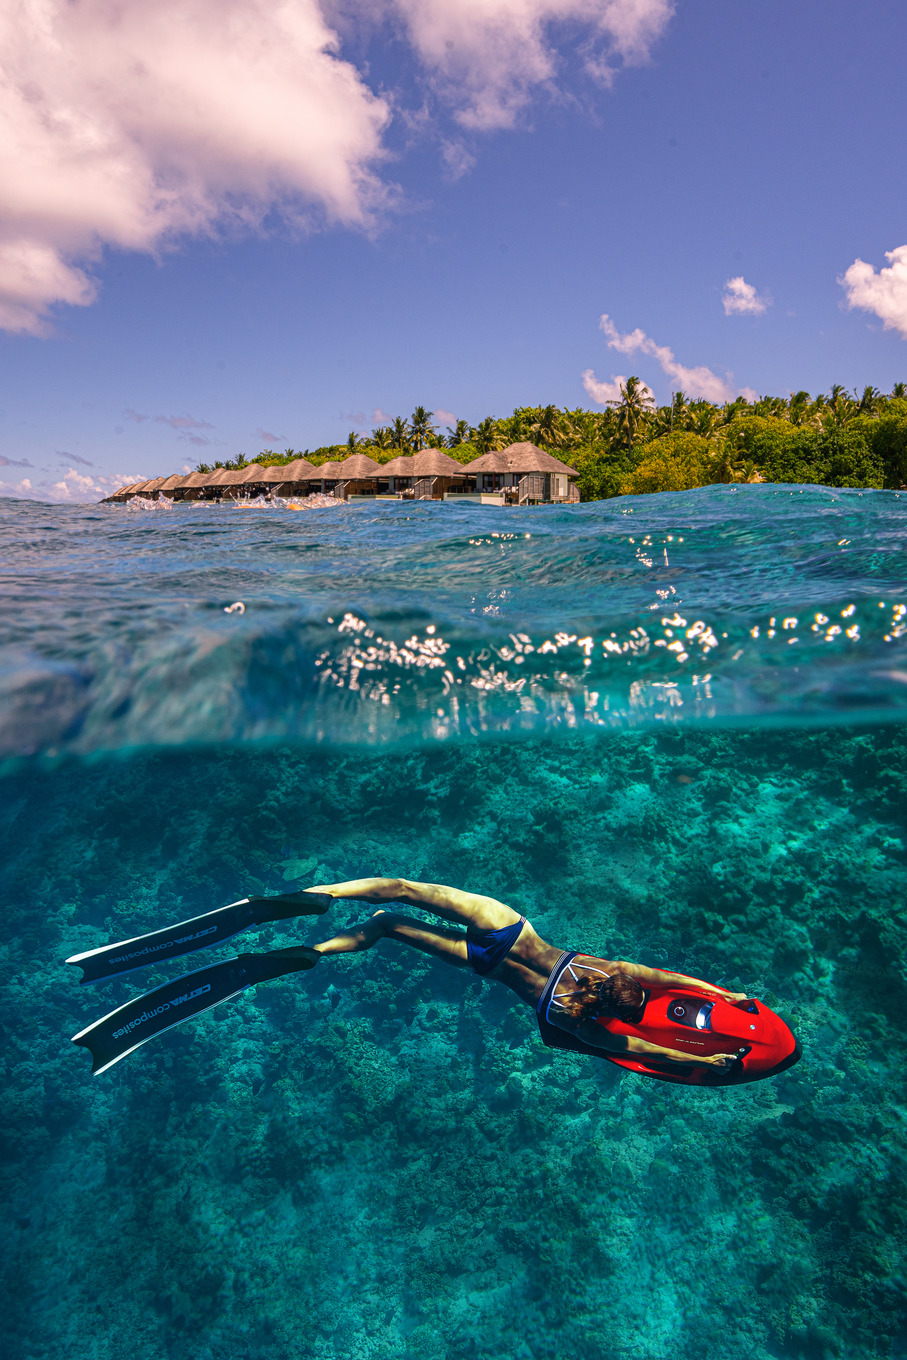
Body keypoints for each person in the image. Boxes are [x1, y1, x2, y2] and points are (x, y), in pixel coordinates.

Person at [306, 876, 745, 1072]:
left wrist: (723, 995)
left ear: (616, 986)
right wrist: (704, 1060)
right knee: (385, 925)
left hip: (506, 927)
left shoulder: (611, 969)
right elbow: (651, 1052)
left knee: (405, 889)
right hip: (486, 962)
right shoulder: (570, 1022)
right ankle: (313, 951)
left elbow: (671, 979)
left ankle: (320, 893)